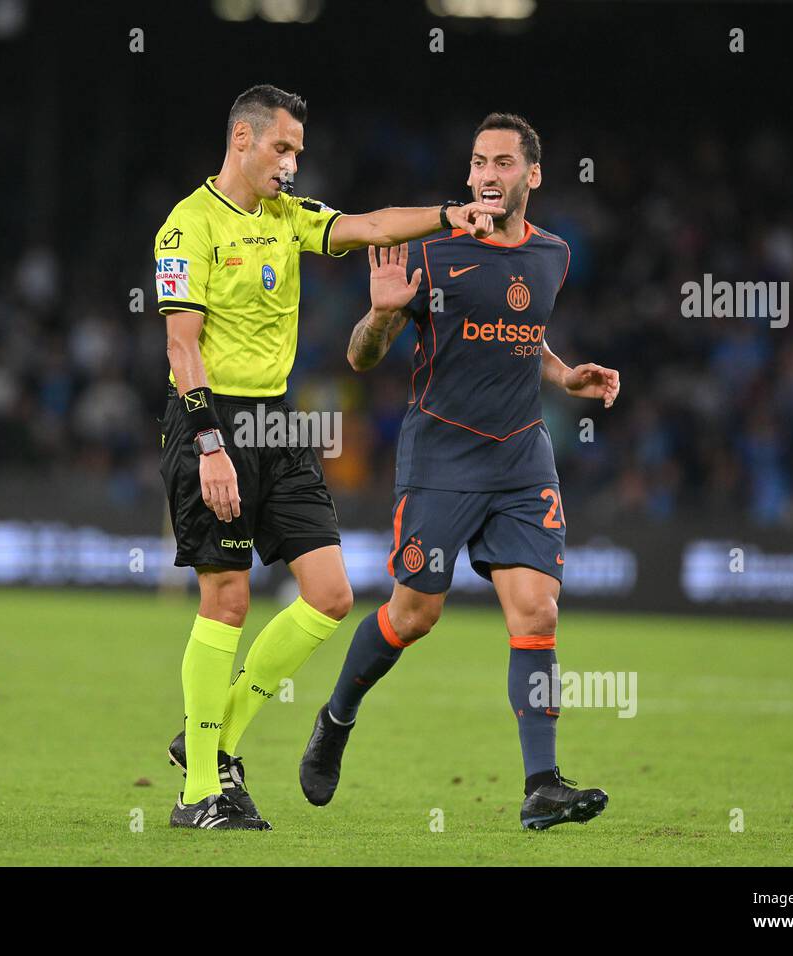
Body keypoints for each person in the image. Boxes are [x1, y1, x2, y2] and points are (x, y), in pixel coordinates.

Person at [154, 84, 504, 830]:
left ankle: (213, 745)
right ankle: (197, 797)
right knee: (228, 599)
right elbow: (181, 345)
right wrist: (210, 444)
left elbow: (372, 225)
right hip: (212, 422)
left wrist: (453, 214)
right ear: (242, 141)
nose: (291, 164)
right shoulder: (187, 228)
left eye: (298, 153)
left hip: (277, 423)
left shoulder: (289, 216)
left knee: (331, 595)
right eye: (282, 148)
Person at [300, 113, 619, 830]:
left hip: (520, 456)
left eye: (503, 163)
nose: (486, 175)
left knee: (537, 611)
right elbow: (360, 357)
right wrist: (381, 316)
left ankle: (542, 785)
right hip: (442, 457)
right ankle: (336, 718)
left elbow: (522, 336)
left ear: (532, 176)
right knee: (415, 616)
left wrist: (565, 377)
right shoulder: (432, 255)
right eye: (478, 162)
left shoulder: (554, 256)